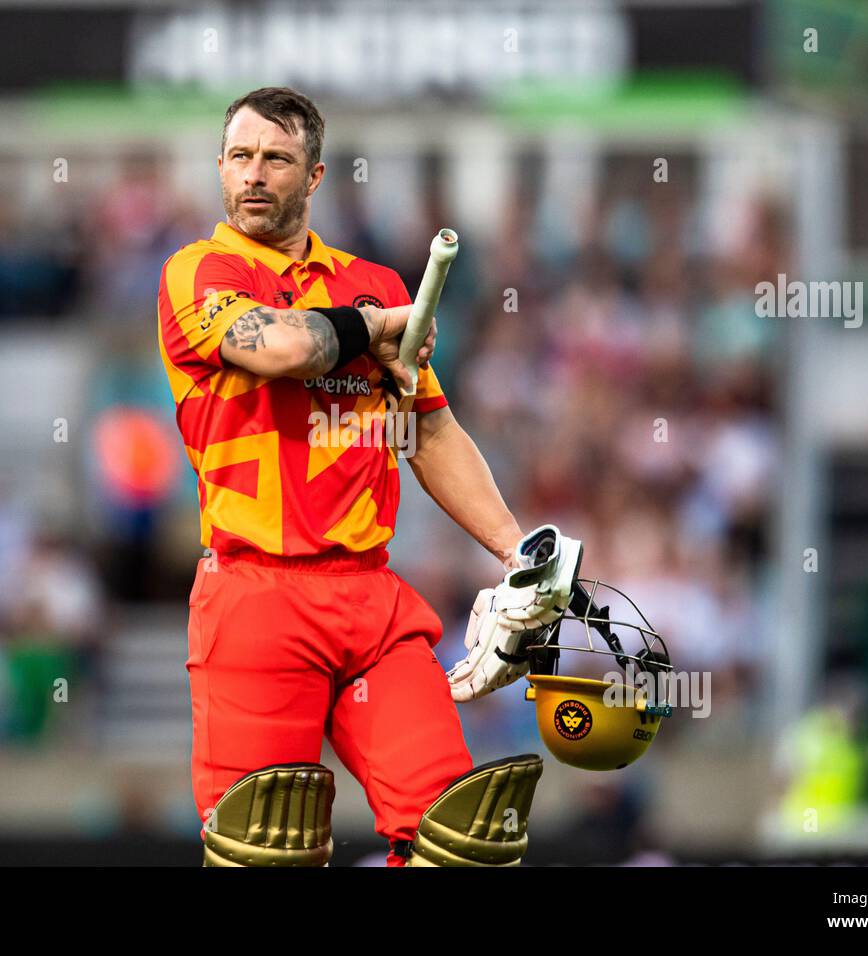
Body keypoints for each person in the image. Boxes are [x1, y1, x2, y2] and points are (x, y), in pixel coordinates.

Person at [156, 88, 574, 867]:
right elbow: (280, 348)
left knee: (463, 847)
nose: (254, 175)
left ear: (314, 177)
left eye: (276, 159)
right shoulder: (198, 272)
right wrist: (376, 329)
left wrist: (520, 552)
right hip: (255, 599)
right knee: (264, 854)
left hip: (372, 603)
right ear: (219, 167)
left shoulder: (375, 283)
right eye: (240, 157)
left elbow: (429, 430)